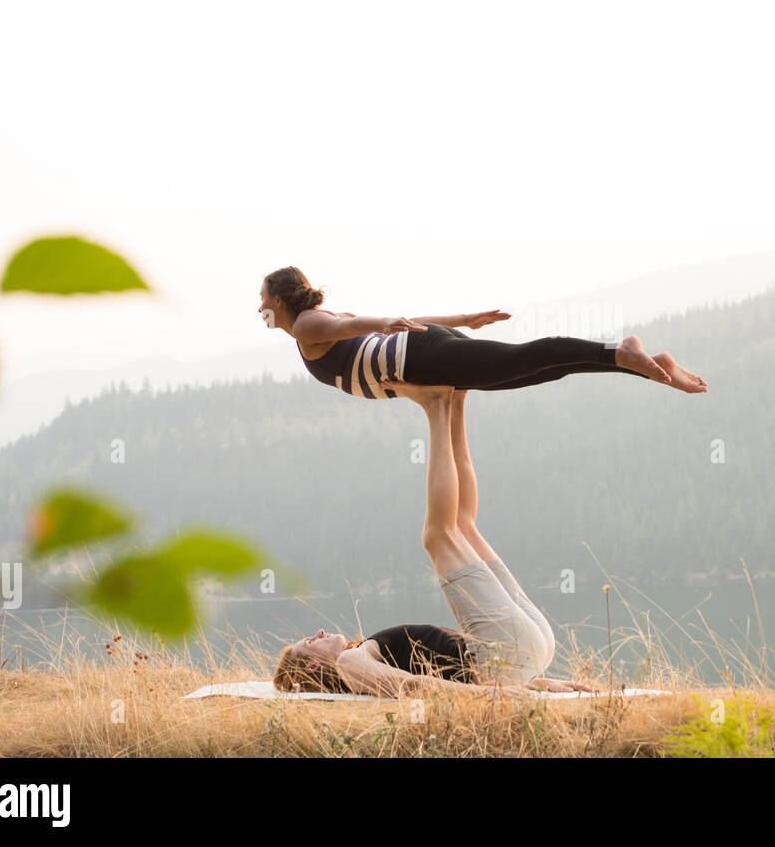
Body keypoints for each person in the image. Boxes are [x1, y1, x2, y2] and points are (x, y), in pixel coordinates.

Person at [273, 382, 594, 697]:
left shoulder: (359, 657)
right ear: (314, 668)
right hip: (508, 651)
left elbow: (434, 674)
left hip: (519, 651)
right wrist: (492, 695)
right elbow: (412, 686)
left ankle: (456, 401)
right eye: (310, 643)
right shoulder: (348, 663)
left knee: (461, 525)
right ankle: (437, 406)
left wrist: (533, 683)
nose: (317, 634)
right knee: (438, 534)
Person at [259, 265, 708, 401]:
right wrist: (462, 320)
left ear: (280, 300)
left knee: (522, 361)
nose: (260, 306)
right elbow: (395, 325)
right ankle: (646, 368)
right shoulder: (315, 322)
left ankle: (620, 350)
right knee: (532, 372)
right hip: (423, 348)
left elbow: (348, 327)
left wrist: (380, 322)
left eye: (263, 298)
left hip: (419, 358)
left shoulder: (306, 326)